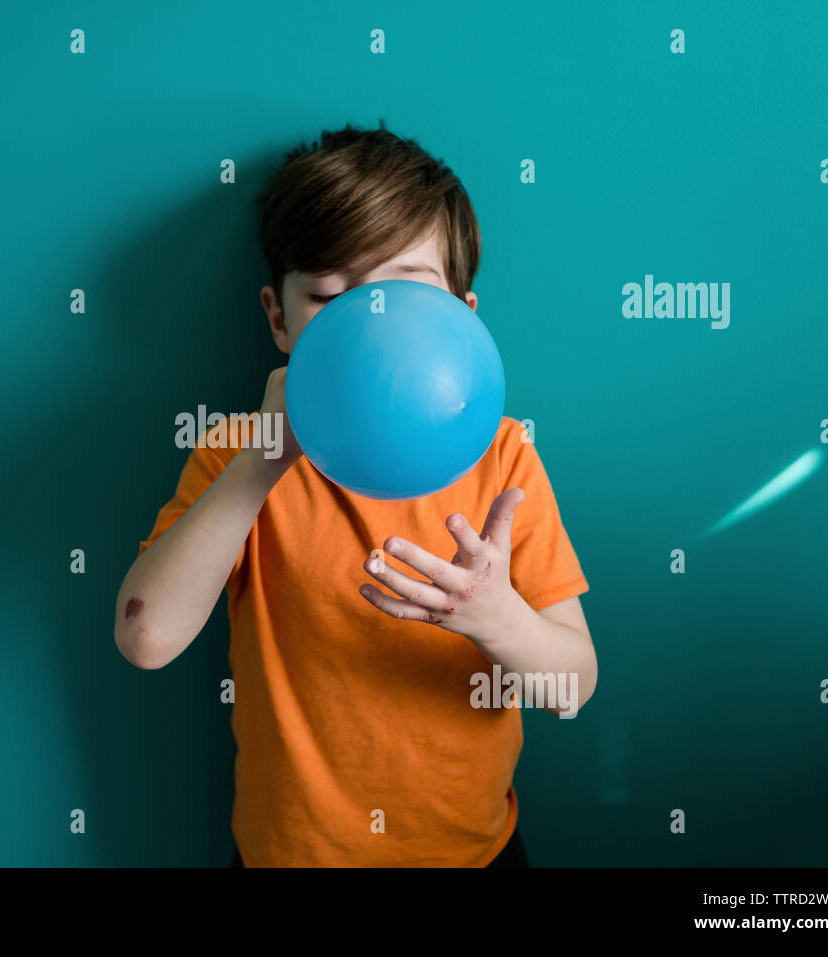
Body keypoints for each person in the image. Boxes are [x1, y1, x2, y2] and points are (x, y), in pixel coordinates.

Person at [114, 121, 595, 867]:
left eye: (405, 291)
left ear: (465, 320)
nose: (372, 328)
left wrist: (495, 616)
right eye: (331, 296)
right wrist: (262, 462)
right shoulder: (237, 453)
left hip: (473, 856)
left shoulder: (503, 455)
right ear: (280, 320)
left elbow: (571, 687)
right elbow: (146, 639)